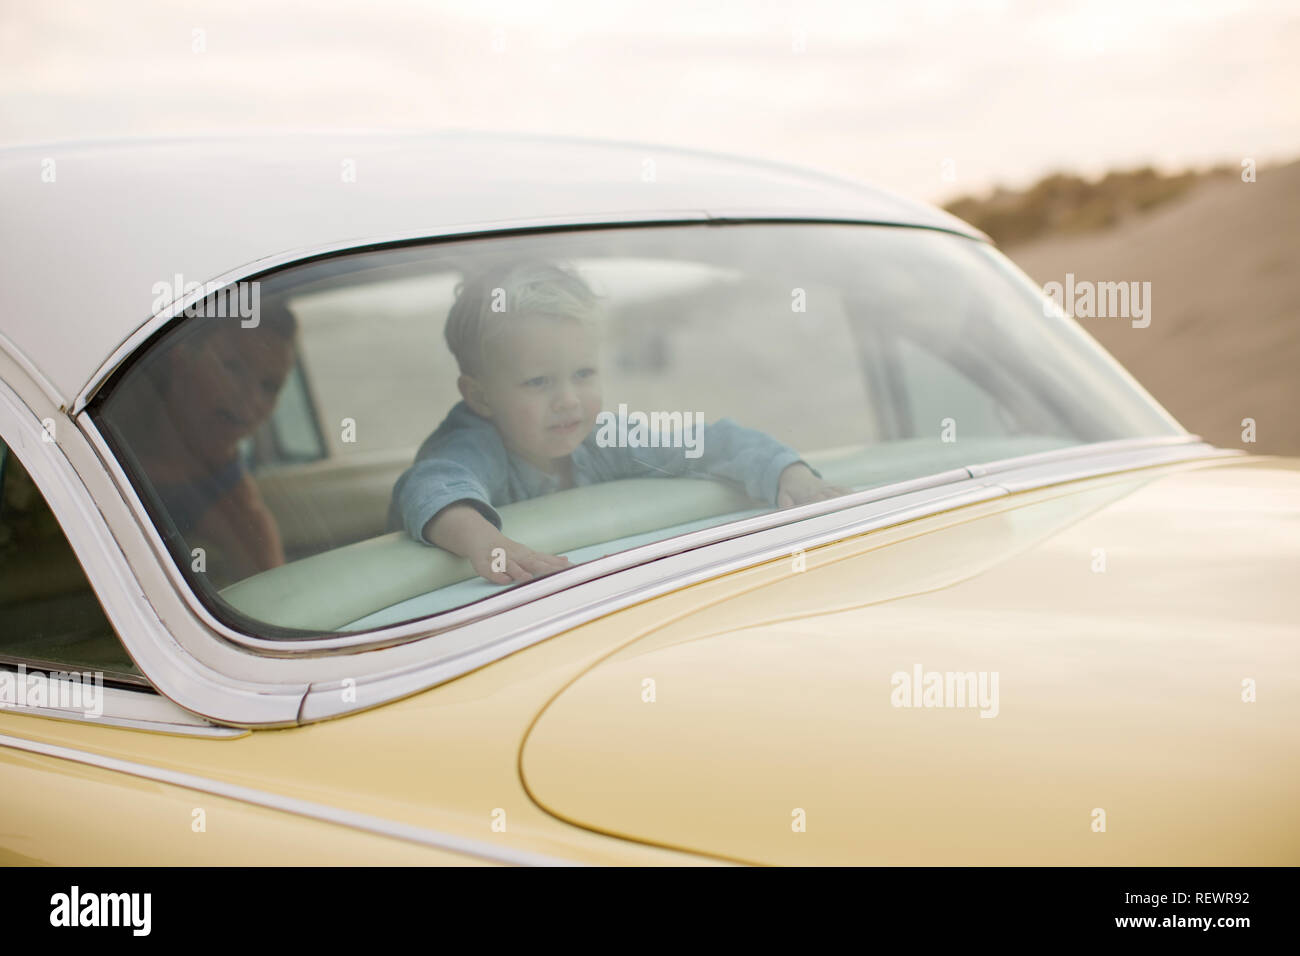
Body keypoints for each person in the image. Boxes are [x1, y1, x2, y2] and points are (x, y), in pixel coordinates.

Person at [388, 260, 848, 585]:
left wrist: (793, 476)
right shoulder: (475, 442)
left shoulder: (603, 437)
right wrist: (486, 543)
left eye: (583, 374)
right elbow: (431, 485)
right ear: (481, 396)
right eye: (538, 381)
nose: (568, 400)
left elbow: (710, 443)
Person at [111, 301, 298, 588]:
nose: (250, 398)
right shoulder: (103, 456)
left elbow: (277, 594)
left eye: (270, 386)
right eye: (234, 367)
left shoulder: (240, 502)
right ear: (181, 356)